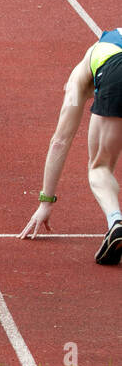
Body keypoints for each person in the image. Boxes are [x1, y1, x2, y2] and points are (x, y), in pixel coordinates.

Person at [18, 28, 122, 264]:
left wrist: (46, 201)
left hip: (117, 72)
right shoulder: (105, 43)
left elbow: (60, 140)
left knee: (100, 166)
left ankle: (115, 221)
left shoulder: (77, 79)